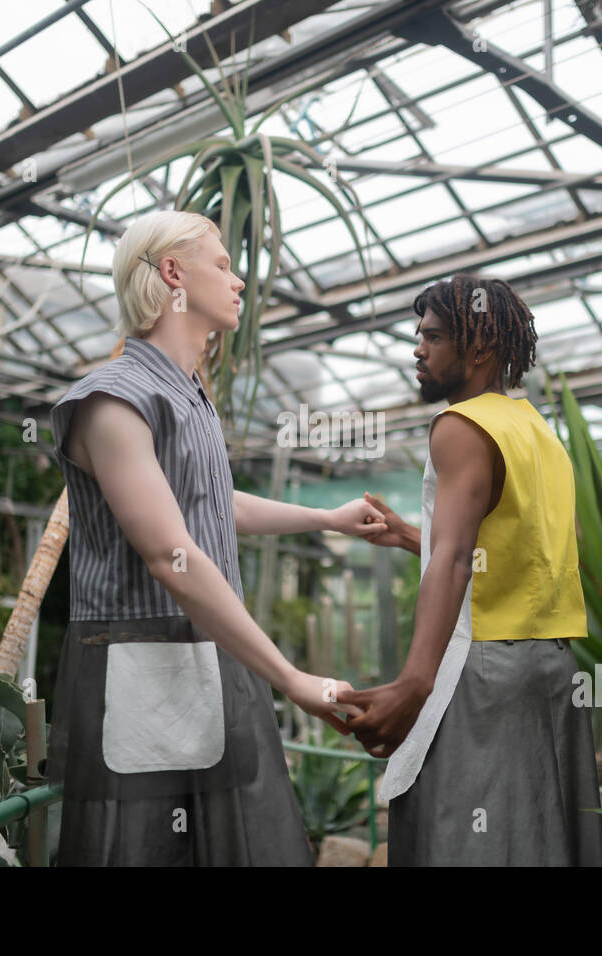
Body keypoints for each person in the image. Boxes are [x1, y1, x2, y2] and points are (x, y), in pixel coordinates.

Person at [46, 209, 383, 865]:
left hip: (207, 657)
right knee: (143, 852)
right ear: (173, 273)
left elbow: (211, 504)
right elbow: (169, 558)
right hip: (144, 665)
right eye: (224, 264)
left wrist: (326, 519)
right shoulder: (114, 400)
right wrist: (290, 676)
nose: (238, 281)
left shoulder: (188, 396)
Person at [344, 273, 602, 866]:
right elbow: (518, 552)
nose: (418, 349)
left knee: (461, 836)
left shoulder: (460, 427)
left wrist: (415, 683)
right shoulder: (537, 430)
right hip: (549, 668)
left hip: (481, 667)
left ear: (480, 348)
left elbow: (459, 557)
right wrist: (413, 537)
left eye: (434, 337)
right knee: (536, 835)